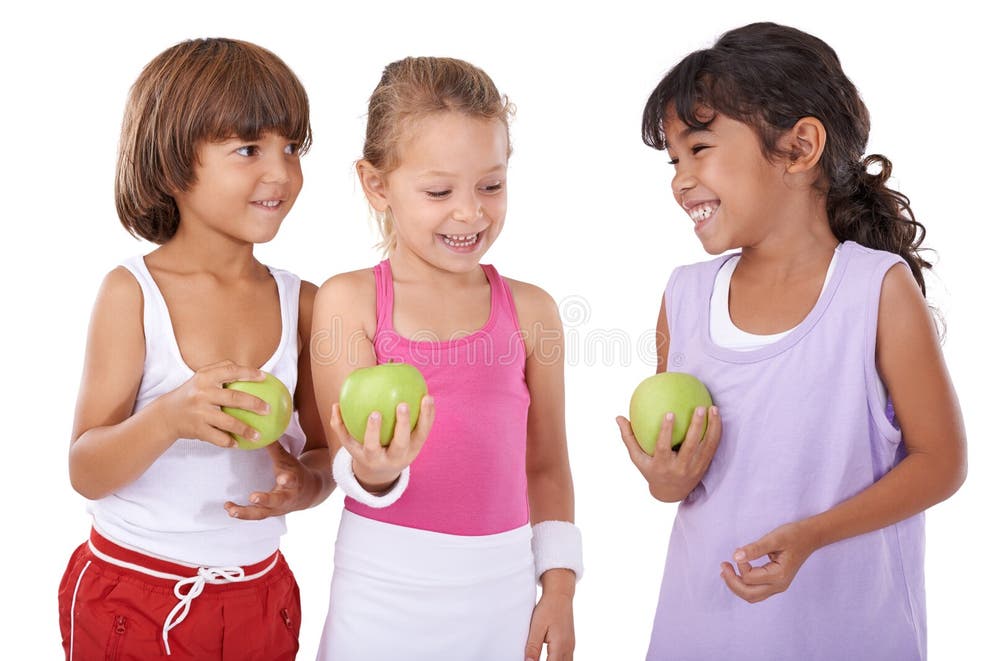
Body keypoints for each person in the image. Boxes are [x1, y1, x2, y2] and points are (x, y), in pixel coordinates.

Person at [617, 22, 967, 661]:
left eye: (699, 148)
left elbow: (941, 462)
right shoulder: (684, 298)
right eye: (674, 159)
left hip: (845, 636)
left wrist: (812, 535)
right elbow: (683, 486)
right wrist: (665, 478)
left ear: (800, 146)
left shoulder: (876, 290)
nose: (680, 179)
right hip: (700, 633)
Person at [58, 38, 332, 660]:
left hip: (260, 593)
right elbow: (86, 469)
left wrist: (306, 485)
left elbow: (320, 452)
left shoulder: (305, 304)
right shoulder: (134, 294)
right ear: (173, 165)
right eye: (248, 149)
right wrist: (168, 417)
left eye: (292, 147)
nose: (281, 172)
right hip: (134, 596)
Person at [310, 56, 580, 661]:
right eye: (439, 191)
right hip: (383, 588)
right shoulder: (349, 302)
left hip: (502, 589)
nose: (470, 212)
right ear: (377, 185)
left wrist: (558, 589)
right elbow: (348, 463)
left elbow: (548, 466)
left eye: (491, 184)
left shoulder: (532, 311)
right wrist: (380, 467)